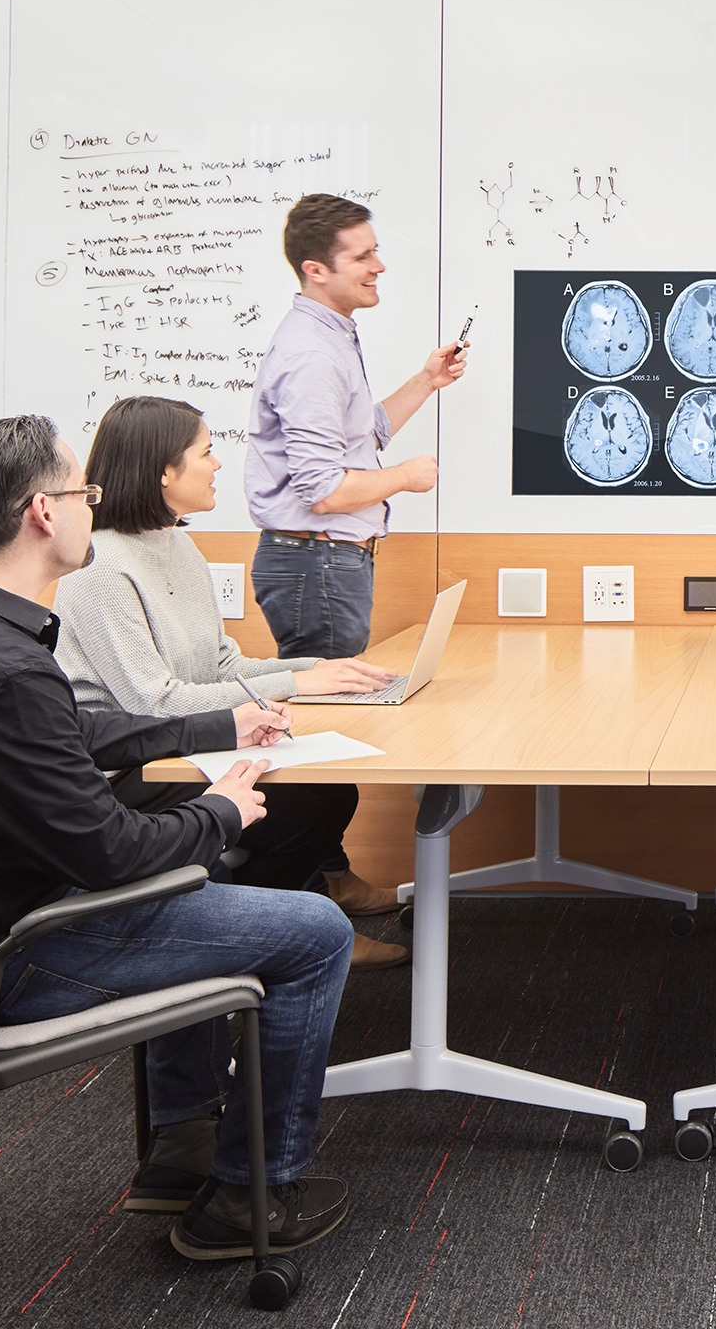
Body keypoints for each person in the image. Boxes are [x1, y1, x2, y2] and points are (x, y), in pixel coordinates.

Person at [0, 416, 357, 1262]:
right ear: (43, 512)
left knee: (202, 882)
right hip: (20, 954)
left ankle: (181, 1148)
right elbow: (113, 855)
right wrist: (224, 810)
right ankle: (243, 1200)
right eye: (82, 493)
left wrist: (215, 725)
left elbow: (65, 731)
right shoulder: (3, 666)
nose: (92, 506)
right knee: (313, 932)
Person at [55, 394, 409, 969]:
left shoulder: (179, 546)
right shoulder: (100, 569)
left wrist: (314, 673)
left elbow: (221, 666)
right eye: (207, 452)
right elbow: (153, 702)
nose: (218, 464)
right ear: (165, 472)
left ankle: (286, 929)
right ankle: (271, 940)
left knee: (326, 794)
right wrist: (292, 686)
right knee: (307, 804)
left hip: (184, 748)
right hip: (130, 772)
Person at [246, 193, 466, 917]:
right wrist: (406, 478)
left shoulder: (332, 335)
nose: (379, 265)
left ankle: (327, 880)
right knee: (319, 743)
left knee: (331, 732)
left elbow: (359, 435)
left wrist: (425, 383)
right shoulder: (310, 353)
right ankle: (295, 907)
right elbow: (322, 488)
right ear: (317, 269)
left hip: (330, 564)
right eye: (363, 255)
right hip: (315, 563)